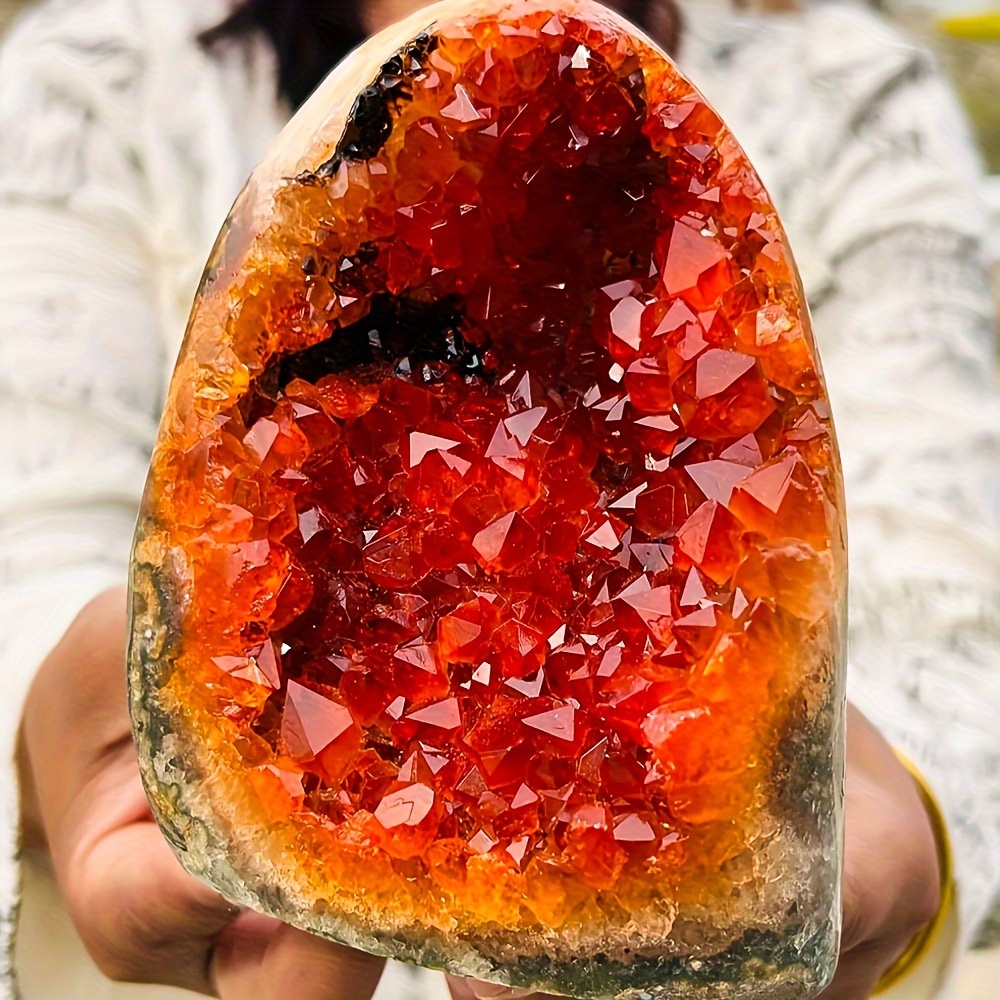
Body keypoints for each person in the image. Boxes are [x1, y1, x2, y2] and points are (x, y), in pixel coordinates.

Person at [1, 1, 998, 998]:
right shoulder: (92, 77)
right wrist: (42, 734)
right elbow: (31, 530)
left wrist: (897, 825)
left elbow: (951, 613)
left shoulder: (856, 95)